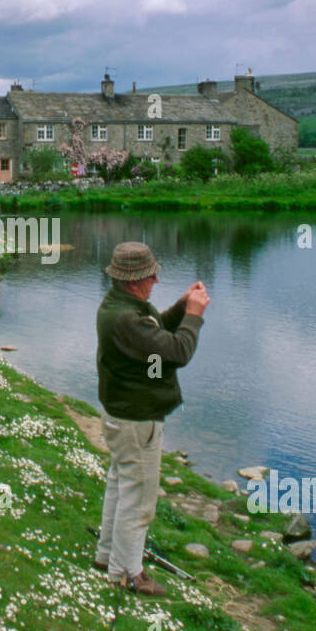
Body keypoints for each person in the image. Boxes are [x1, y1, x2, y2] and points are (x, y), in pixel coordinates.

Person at [94, 241, 209, 596]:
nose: (156, 280)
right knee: (140, 501)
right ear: (133, 281)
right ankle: (126, 573)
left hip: (121, 416)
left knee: (120, 484)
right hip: (137, 420)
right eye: (150, 275)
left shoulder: (118, 306)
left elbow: (155, 330)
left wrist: (182, 306)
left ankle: (107, 555)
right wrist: (194, 316)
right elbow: (177, 351)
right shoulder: (127, 317)